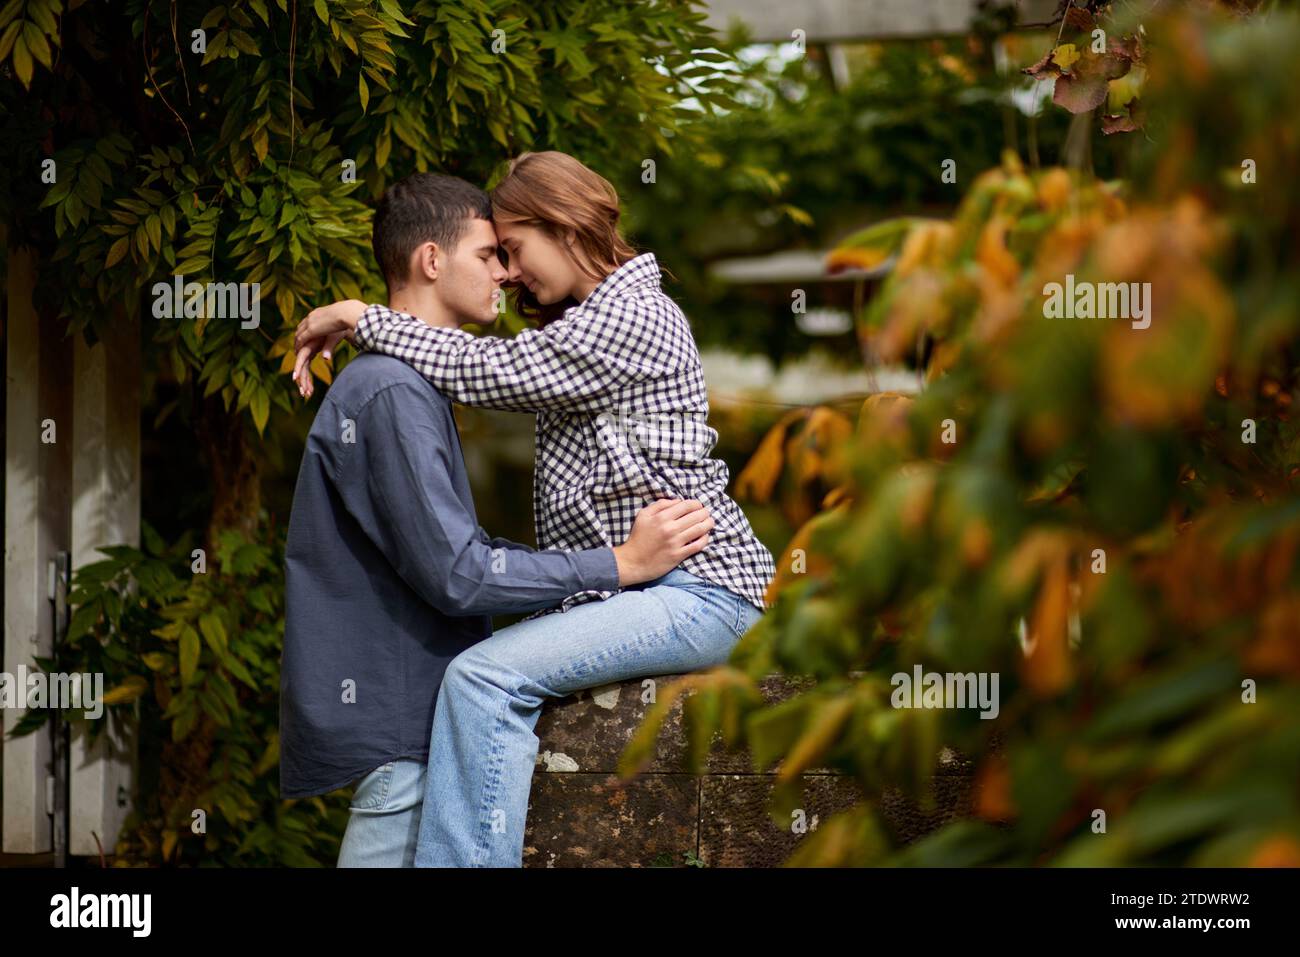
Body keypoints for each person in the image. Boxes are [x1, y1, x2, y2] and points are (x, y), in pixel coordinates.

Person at [292, 151, 775, 867]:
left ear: (565, 225)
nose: (510, 272)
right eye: (496, 254)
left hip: (701, 586)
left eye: (512, 249)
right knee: (494, 671)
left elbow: (489, 370)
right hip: (660, 586)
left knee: (483, 678)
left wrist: (362, 315)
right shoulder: (582, 325)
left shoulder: (631, 316)